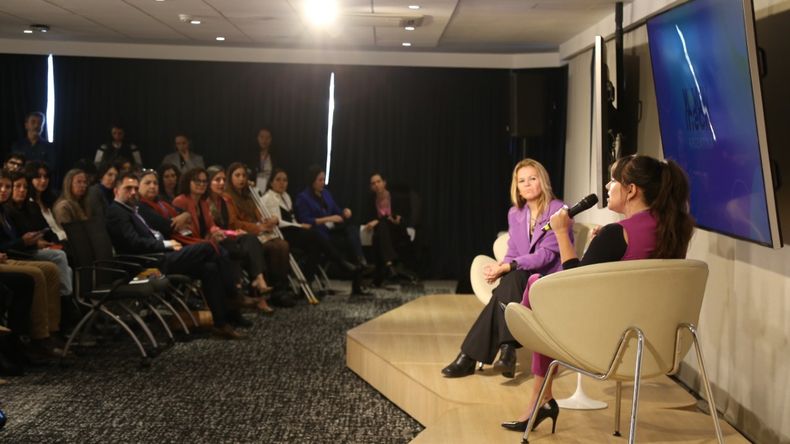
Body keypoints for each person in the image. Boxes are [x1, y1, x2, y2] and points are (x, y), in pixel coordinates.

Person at [501, 154, 695, 434]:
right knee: (536, 287)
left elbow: (573, 284)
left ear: (631, 190)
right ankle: (540, 398)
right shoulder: (674, 231)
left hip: (609, 346)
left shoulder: (617, 234)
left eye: (614, 180)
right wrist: (604, 246)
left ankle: (539, 396)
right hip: (661, 346)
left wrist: (561, 233)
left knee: (535, 287)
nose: (607, 185)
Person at [441, 159, 568, 379]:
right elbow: (512, 250)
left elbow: (546, 255)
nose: (527, 184)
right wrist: (500, 267)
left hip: (547, 280)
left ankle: (472, 356)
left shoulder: (558, 210)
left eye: (532, 178)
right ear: (516, 187)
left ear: (543, 181)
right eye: (522, 180)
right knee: (513, 280)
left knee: (510, 282)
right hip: (521, 278)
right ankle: (506, 351)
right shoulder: (515, 214)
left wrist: (510, 266)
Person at [105, 172, 245, 339]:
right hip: (146, 265)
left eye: (135, 188)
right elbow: (133, 243)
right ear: (116, 191)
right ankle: (233, 296)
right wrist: (166, 244)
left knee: (210, 267)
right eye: (128, 188)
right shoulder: (117, 211)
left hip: (159, 256)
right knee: (207, 247)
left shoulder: (131, 210)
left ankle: (221, 323)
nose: (134, 192)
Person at [173, 167, 274, 313]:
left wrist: (216, 232)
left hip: (212, 242)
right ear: (188, 182)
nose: (202, 184)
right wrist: (216, 234)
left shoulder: (203, 202)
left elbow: (211, 226)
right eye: (197, 181)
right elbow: (183, 234)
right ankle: (238, 294)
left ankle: (251, 287)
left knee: (248, 242)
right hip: (194, 247)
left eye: (204, 181)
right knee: (232, 251)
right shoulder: (181, 201)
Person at [263, 168, 359, 283]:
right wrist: (300, 225)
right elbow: (277, 222)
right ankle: (341, 262)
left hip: (294, 229)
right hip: (281, 234)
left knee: (317, 245)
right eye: (278, 180)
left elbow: (292, 218)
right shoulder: (268, 198)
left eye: (285, 180)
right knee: (315, 235)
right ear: (271, 182)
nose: (282, 183)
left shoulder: (286, 196)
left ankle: (308, 283)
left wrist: (343, 212)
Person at [224, 163, 294, 307]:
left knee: (283, 245)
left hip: (258, 230)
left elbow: (259, 214)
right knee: (272, 248)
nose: (241, 179)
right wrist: (257, 226)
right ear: (230, 178)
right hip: (245, 235)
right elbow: (233, 223)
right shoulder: (227, 197)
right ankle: (273, 290)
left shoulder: (248, 195)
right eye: (237, 175)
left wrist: (267, 221)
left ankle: (281, 288)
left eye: (243, 175)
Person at [294, 165, 371, 295]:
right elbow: (305, 221)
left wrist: (345, 212)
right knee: (322, 245)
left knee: (351, 232)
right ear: (312, 180)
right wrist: (328, 218)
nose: (322, 183)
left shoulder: (326, 194)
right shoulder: (303, 197)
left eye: (323, 179)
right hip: (316, 234)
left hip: (329, 233)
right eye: (320, 180)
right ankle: (351, 266)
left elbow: (337, 211)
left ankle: (359, 264)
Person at [363, 172, 416, 284]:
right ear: (371, 187)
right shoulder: (370, 201)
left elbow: (405, 218)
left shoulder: (395, 198)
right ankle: (389, 265)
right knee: (378, 235)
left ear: (384, 183)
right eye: (373, 183)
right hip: (383, 233)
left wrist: (398, 219)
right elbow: (367, 219)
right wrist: (374, 222)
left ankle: (381, 272)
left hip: (397, 230)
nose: (376, 185)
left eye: (378, 182)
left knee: (379, 231)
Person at [24, 161, 67, 242]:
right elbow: (45, 233)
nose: (43, 180)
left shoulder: (52, 199)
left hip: (63, 238)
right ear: (29, 179)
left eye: (46, 177)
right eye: (38, 177)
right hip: (52, 243)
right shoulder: (28, 203)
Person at [10, 112, 57, 182]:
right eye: (33, 122)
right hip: (21, 182)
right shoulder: (17, 145)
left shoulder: (50, 147)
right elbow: (14, 165)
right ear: (26, 125)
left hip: (41, 182)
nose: (36, 126)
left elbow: (51, 167)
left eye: (40, 123)